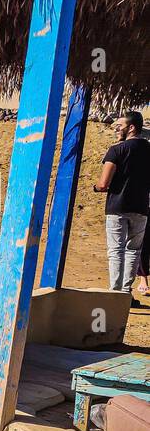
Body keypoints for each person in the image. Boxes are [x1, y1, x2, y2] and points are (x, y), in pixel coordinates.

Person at [94, 110, 150, 295]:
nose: (116, 129)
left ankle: (115, 292)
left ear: (131, 127)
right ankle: (126, 292)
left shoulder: (116, 150)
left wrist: (96, 188)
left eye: (120, 126)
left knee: (116, 250)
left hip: (117, 207)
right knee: (133, 250)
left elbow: (103, 184)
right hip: (141, 207)